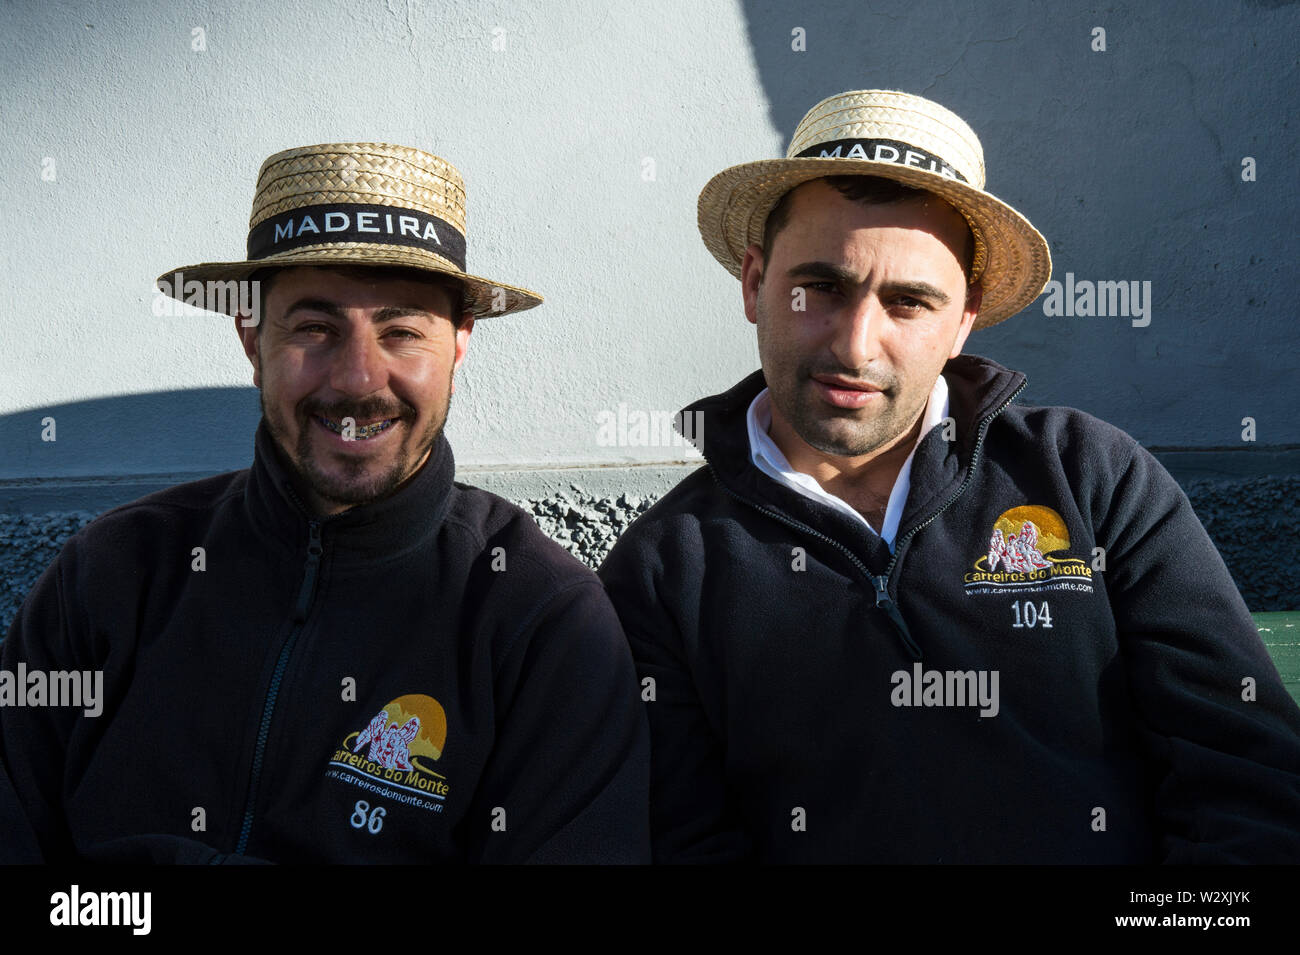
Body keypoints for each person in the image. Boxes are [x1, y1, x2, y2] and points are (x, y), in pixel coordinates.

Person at [598, 90, 1300, 863]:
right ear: (755, 282)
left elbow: (1248, 784)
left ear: (964, 319)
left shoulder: (1090, 478)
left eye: (908, 302)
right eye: (822, 288)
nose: (856, 345)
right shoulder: (661, 571)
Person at [0, 142, 649, 863]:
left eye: (401, 331)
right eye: (314, 328)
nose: (358, 378)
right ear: (251, 338)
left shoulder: (539, 618)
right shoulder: (111, 573)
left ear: (461, 343)